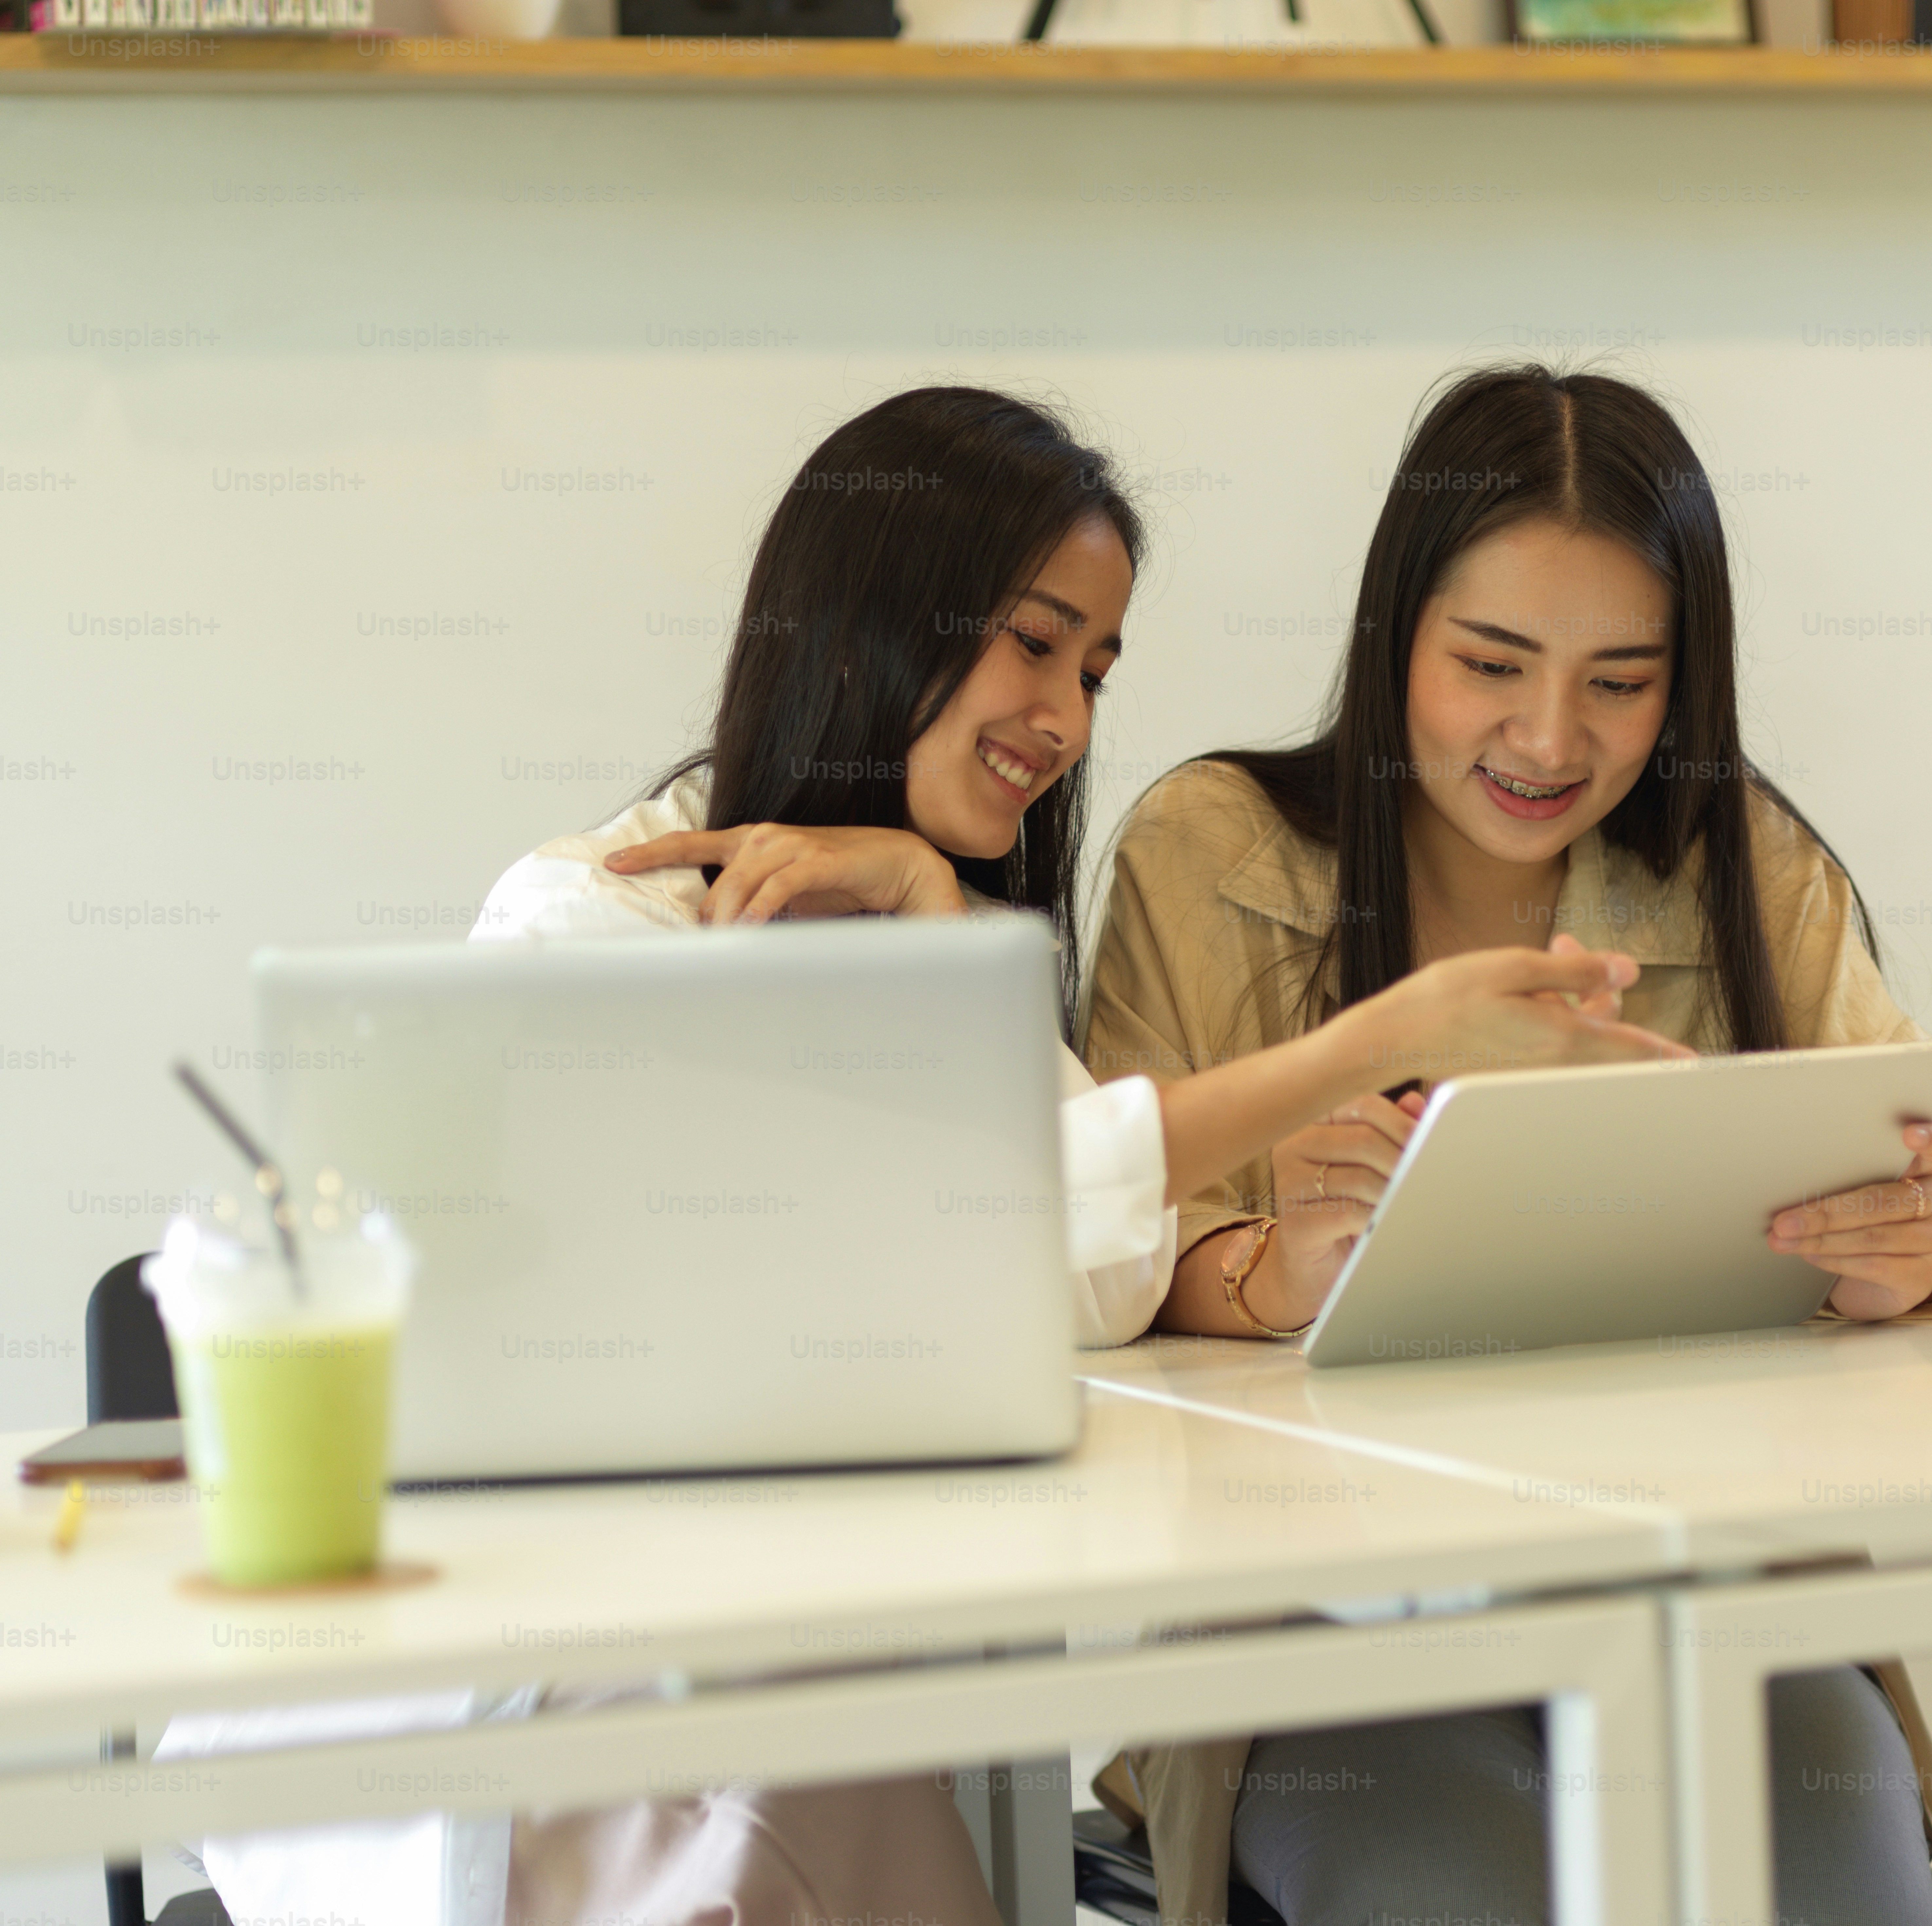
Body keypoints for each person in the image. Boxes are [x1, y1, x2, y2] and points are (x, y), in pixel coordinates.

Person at [162, 383, 1684, 1926]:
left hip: (805, 1700)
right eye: (1034, 643)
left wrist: (937, 923)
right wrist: (1375, 1041)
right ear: (862, 622)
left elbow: (1100, 1272)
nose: (1066, 717)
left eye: (1094, 669)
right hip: (553, 1717)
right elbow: (968, 1219)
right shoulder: (594, 919)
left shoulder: (945, 941)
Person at [1083, 365, 1932, 1926]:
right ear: (1394, 636)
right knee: (1479, 1891)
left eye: (1620, 680)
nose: (1546, 735)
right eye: (1489, 664)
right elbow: (1101, 1239)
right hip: (1318, 1629)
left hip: (1699, 1583)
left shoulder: (1739, 859)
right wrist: (1264, 1269)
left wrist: (1903, 1253)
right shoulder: (1211, 851)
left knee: (1838, 1878)